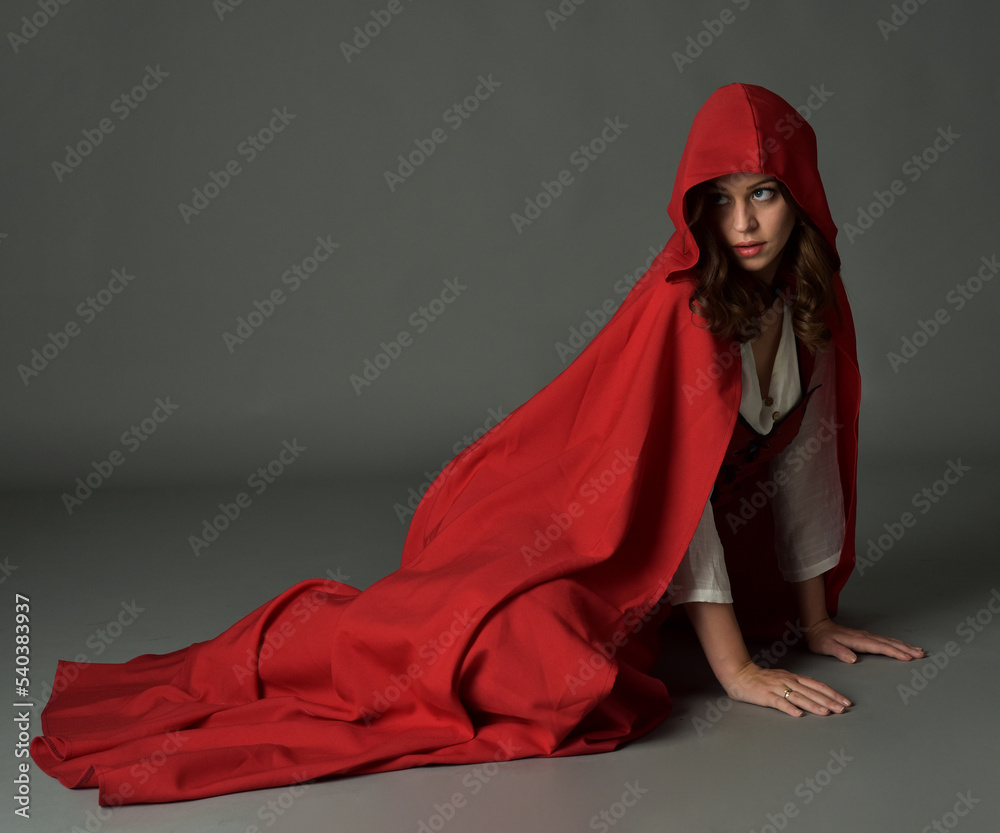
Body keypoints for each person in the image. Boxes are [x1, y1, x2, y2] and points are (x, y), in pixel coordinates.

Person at [30, 82, 923, 806]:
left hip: (629, 552)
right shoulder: (687, 311)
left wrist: (813, 618)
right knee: (521, 670)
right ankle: (280, 651)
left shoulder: (813, 311)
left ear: (798, 193)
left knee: (582, 681)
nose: (744, 224)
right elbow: (678, 493)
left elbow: (808, 460)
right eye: (721, 200)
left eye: (762, 193)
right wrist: (732, 669)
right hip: (551, 522)